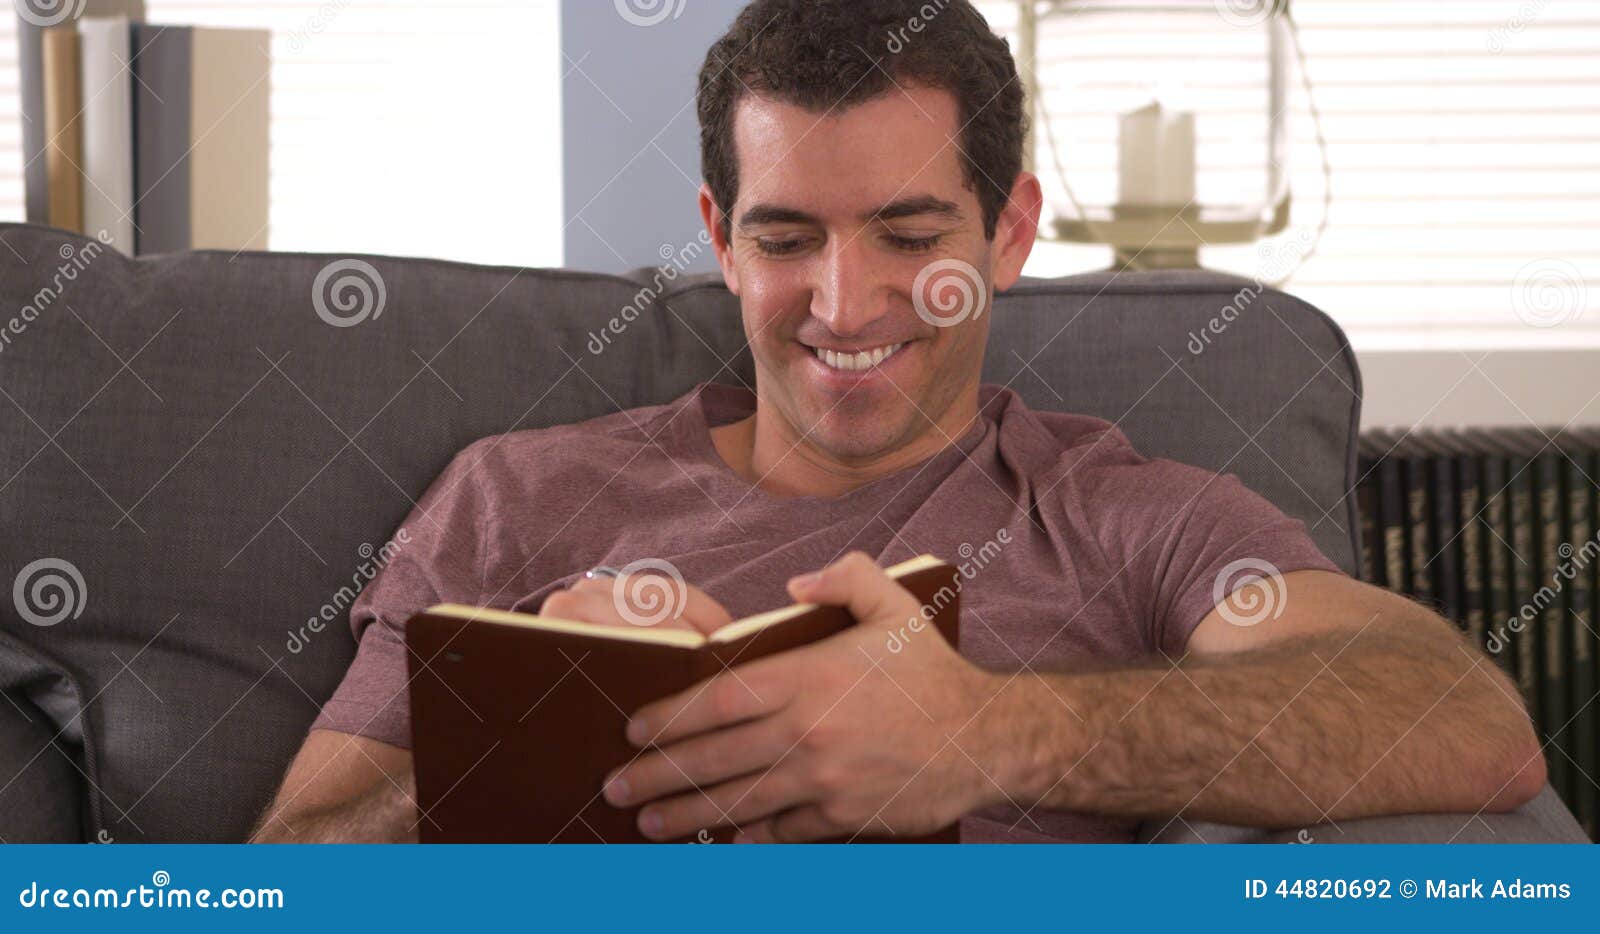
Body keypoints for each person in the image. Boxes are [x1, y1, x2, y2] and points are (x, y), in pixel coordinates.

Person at [251, 0, 1542, 844]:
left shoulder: (1127, 520)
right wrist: (526, 740)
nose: (843, 301)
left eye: (909, 237)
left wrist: (983, 733)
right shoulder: (514, 498)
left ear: (1011, 233)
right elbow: (284, 874)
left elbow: (1465, 720)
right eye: (785, 238)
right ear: (720, 240)